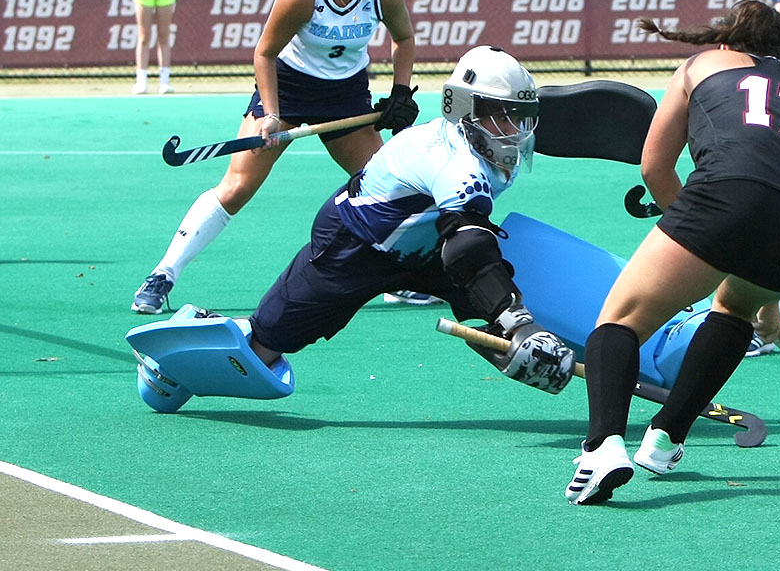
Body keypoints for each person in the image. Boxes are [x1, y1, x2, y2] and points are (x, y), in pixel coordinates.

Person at [127, 46, 575, 411]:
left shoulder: (483, 145)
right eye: (501, 115)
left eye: (519, 115)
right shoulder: (453, 162)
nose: (514, 129)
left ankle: (529, 340)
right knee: (262, 351)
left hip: (425, 248)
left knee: (502, 303)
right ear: (463, 108)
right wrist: (517, 322)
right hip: (352, 248)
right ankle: (178, 355)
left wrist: (508, 327)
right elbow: (468, 250)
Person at [565, 1, 780, 505]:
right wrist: (769, 303)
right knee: (735, 307)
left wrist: (693, 233)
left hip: (725, 200)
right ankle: (665, 437)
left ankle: (602, 448)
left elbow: (655, 169)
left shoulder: (700, 64)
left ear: (727, 42)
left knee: (619, 320)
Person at [132, 0, 419, 315]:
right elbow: (264, 53)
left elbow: (404, 38)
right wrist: (270, 113)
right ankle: (163, 275)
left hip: (345, 95)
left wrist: (400, 91)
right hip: (287, 88)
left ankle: (401, 280)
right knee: (237, 187)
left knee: (390, 187)